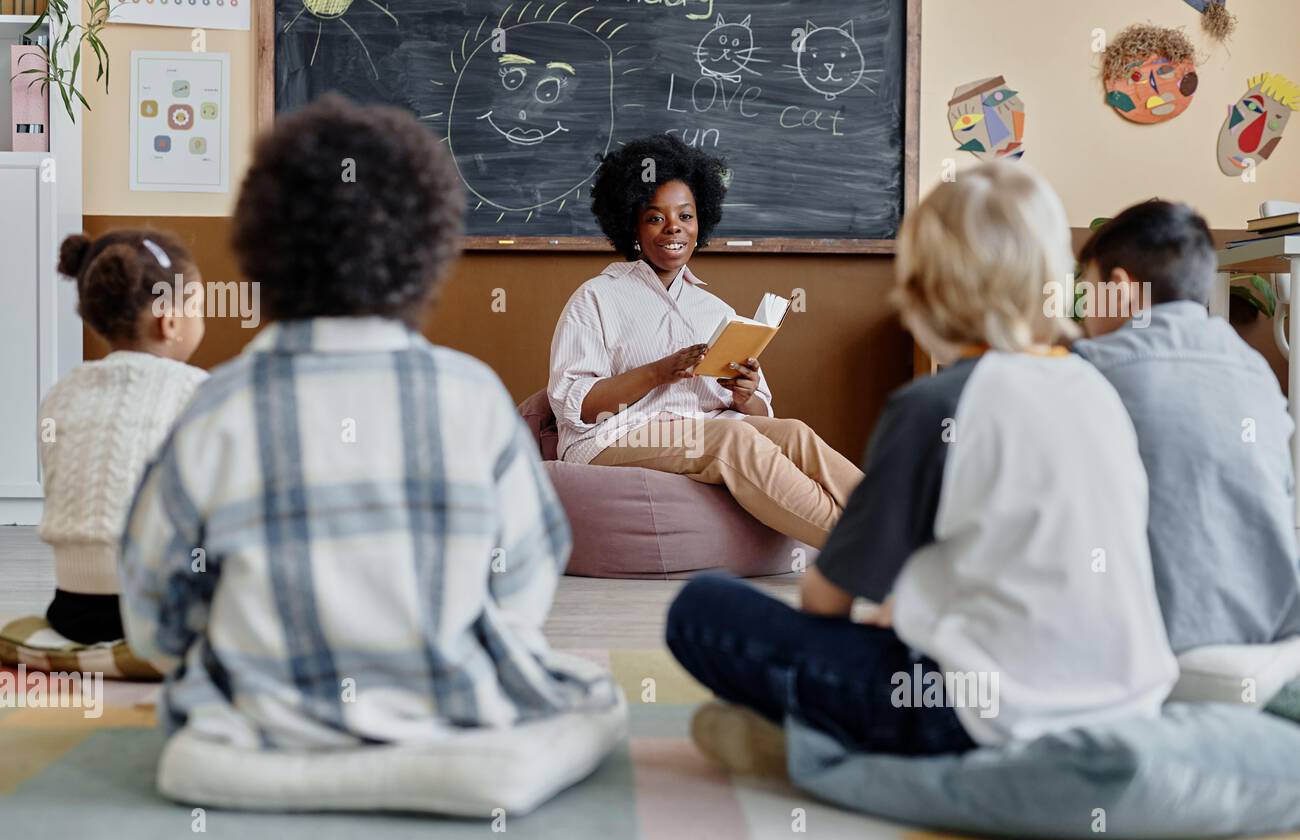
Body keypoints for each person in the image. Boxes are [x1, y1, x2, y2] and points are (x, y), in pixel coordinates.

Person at [119, 94, 618, 750]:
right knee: (592, 697)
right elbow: (524, 589)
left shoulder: (217, 405)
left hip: (256, 733)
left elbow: (152, 621)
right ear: (430, 250)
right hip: (451, 725)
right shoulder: (472, 397)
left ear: (260, 247)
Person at [666, 163, 1179, 777]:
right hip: (1132, 700)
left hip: (978, 716)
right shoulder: (1095, 384)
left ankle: (821, 743)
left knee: (703, 607)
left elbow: (826, 601)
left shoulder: (937, 405)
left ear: (924, 289)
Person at [547, 134, 862, 548]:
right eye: (655, 217)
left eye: (685, 216)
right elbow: (578, 408)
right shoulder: (596, 297)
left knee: (794, 433)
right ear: (632, 226)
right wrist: (660, 372)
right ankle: (862, 551)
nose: (673, 227)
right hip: (615, 436)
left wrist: (745, 395)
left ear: (701, 222)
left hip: (701, 428)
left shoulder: (714, 308)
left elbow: (760, 410)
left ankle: (900, 528)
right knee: (735, 439)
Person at [1074, 200, 1300, 654]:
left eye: (1087, 293)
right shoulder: (1256, 372)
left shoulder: (1087, 374)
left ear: (1119, 289)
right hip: (1267, 646)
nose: (1082, 317)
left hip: (1148, 651)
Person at [38, 230, 207, 644]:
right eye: (199, 308)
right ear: (170, 322)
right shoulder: (198, 392)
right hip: (158, 610)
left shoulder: (62, 393)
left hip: (71, 610)